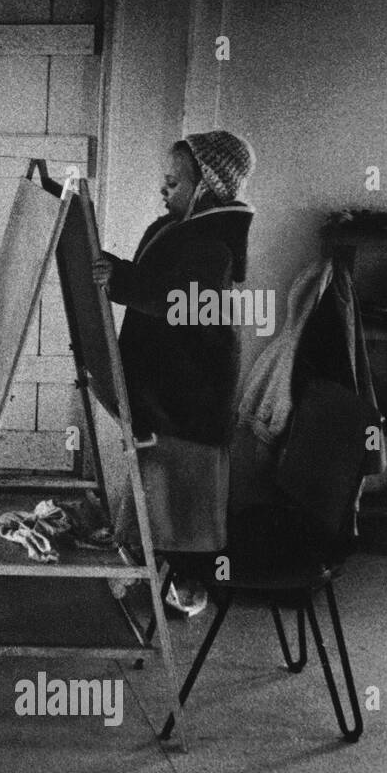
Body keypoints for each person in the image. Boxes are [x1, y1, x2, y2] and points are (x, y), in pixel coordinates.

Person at [92, 130, 256, 616]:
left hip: (191, 391)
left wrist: (121, 279)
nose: (164, 190)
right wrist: (119, 271)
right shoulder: (176, 226)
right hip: (167, 383)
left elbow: (179, 301)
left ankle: (186, 588)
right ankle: (150, 564)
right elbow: (154, 281)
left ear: (206, 185)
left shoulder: (215, 245)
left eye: (174, 182)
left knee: (185, 500)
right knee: (160, 483)